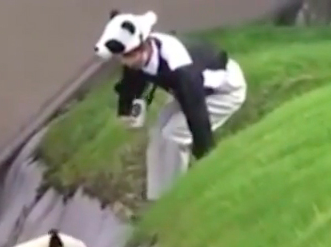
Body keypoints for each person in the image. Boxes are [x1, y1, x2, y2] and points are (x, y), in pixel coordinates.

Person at [94, 10, 247, 201]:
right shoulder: (141, 56)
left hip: (224, 92)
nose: (127, 62)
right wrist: (125, 109)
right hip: (192, 91)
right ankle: (157, 199)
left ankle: (176, 197)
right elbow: (131, 81)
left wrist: (205, 154)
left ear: (144, 46)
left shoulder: (181, 69)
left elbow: (197, 115)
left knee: (174, 134)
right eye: (123, 57)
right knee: (158, 132)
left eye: (130, 56)